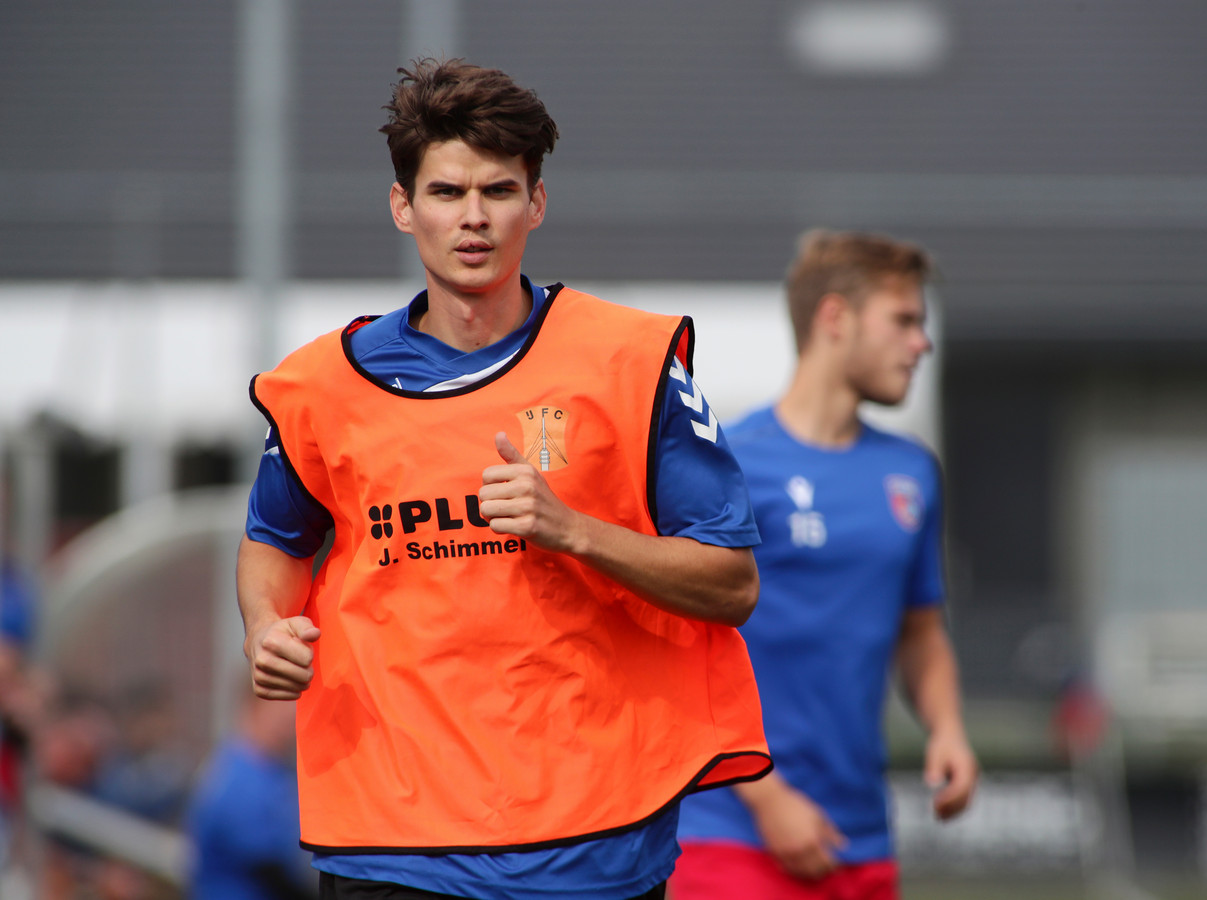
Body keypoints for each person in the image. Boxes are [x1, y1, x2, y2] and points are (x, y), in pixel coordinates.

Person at [236, 58, 771, 900]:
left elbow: (731, 583)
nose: (473, 218)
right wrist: (267, 625)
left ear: (537, 203)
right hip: (388, 836)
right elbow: (274, 539)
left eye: (499, 191)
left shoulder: (630, 362)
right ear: (403, 208)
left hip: (592, 841)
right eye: (447, 193)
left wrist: (572, 530)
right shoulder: (319, 386)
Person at [672, 230, 979, 899]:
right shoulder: (731, 461)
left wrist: (949, 730)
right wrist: (764, 797)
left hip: (862, 838)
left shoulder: (911, 472)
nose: (921, 343)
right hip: (730, 835)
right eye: (903, 321)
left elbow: (921, 630)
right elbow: (677, 652)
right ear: (834, 319)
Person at [186, 681, 315, 900]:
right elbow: (271, 868)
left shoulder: (274, 771)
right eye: (279, 706)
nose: (289, 717)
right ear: (253, 706)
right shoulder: (237, 775)